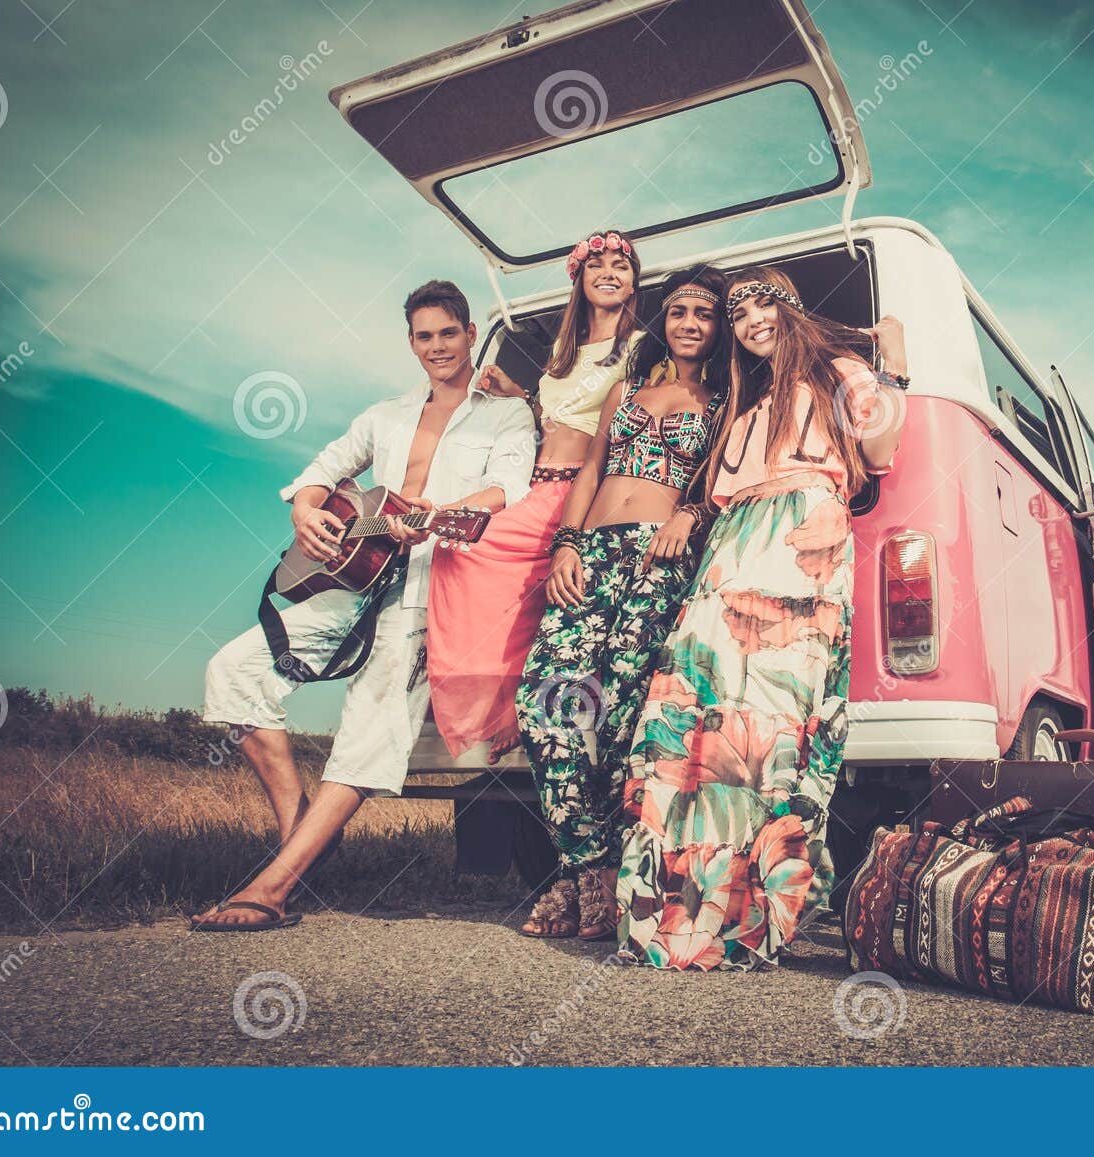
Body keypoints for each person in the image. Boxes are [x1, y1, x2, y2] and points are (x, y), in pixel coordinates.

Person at [192, 280, 536, 931]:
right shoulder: (385, 414)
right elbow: (322, 470)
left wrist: (442, 514)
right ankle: (304, 833)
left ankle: (272, 886)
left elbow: (509, 489)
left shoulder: (506, 415)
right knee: (231, 672)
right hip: (357, 576)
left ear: (469, 333)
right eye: (424, 335)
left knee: (369, 727)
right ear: (411, 342)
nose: (437, 346)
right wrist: (306, 510)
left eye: (448, 332)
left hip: (437, 582)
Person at [616, 266, 909, 970]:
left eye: (763, 302)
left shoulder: (839, 372)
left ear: (792, 309)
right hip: (732, 550)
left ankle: (751, 915)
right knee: (693, 708)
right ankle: (669, 911)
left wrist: (891, 366)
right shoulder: (745, 408)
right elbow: (718, 495)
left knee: (774, 725)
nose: (750, 318)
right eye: (738, 309)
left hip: (804, 539)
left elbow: (880, 449)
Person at [514, 265, 730, 941]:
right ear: (662, 320)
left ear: (718, 327)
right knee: (548, 704)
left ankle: (594, 887)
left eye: (704, 313)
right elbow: (590, 470)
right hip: (594, 551)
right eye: (680, 311)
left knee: (618, 721)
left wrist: (689, 516)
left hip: (658, 562)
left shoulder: (726, 402)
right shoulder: (629, 391)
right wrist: (566, 546)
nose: (690, 322)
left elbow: (723, 483)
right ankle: (588, 873)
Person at [425, 230, 639, 765]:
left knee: (469, 551)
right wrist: (518, 395)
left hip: (577, 488)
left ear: (634, 280)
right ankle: (506, 705)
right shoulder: (563, 353)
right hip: (536, 483)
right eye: (598, 265)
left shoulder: (639, 348)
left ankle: (509, 710)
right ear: (580, 278)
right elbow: (559, 419)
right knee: (487, 569)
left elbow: (615, 427)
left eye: (622, 265)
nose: (610, 273)